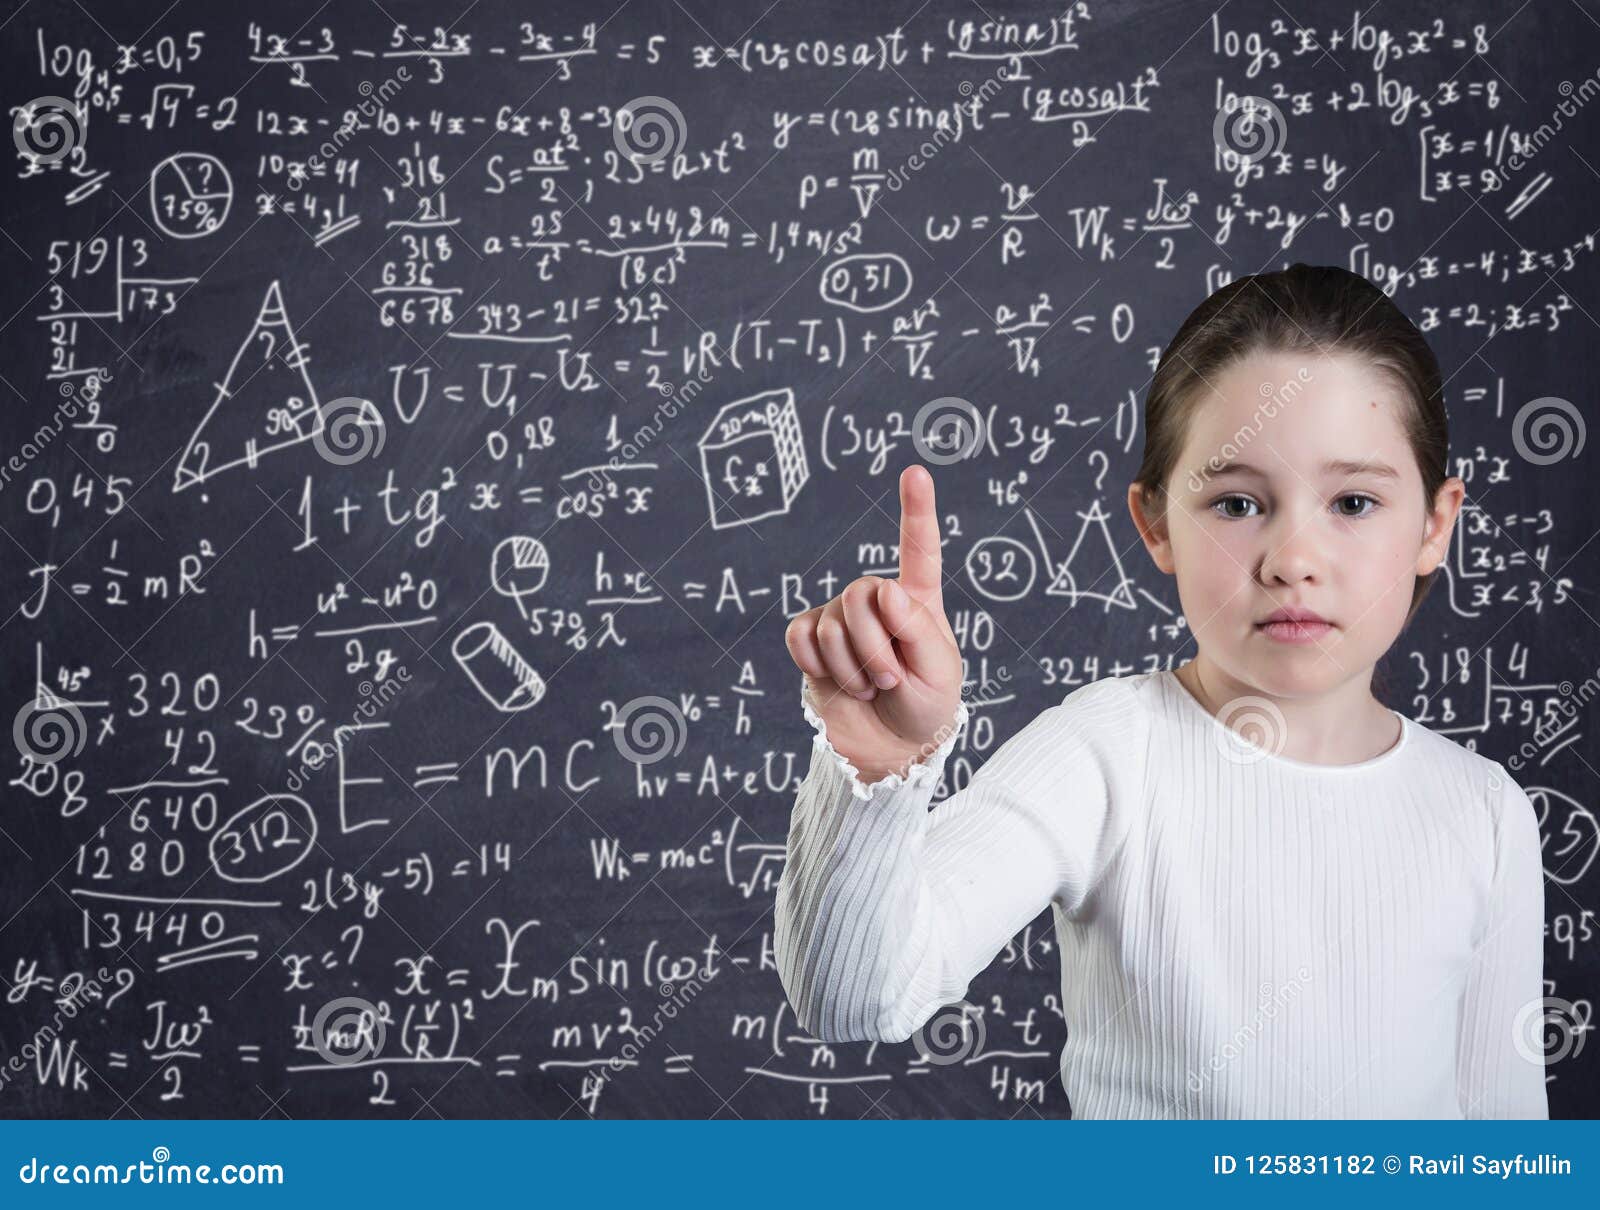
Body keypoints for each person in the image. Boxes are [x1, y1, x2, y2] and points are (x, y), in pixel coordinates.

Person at [774, 263, 1549, 1119]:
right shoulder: (1109, 755)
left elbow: (1506, 1142)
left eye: (1355, 502)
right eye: (1237, 503)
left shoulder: (1483, 813)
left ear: (1435, 526)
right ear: (1155, 525)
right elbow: (856, 997)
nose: (1292, 558)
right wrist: (875, 766)